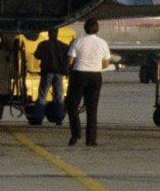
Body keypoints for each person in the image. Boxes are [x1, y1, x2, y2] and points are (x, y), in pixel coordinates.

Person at [65, 18, 111, 147]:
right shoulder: (103, 43)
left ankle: (76, 133)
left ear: (84, 28)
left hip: (79, 74)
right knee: (92, 108)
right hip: (95, 76)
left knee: (72, 105)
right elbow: (106, 63)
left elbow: (70, 61)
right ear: (97, 29)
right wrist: (95, 66)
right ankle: (91, 139)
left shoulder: (77, 42)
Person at [32, 28, 69, 125]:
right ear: (57, 33)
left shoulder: (43, 45)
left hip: (47, 72)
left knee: (42, 95)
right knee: (59, 96)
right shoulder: (63, 46)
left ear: (48, 34)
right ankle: (59, 118)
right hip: (59, 73)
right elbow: (68, 57)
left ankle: (38, 118)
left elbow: (37, 55)